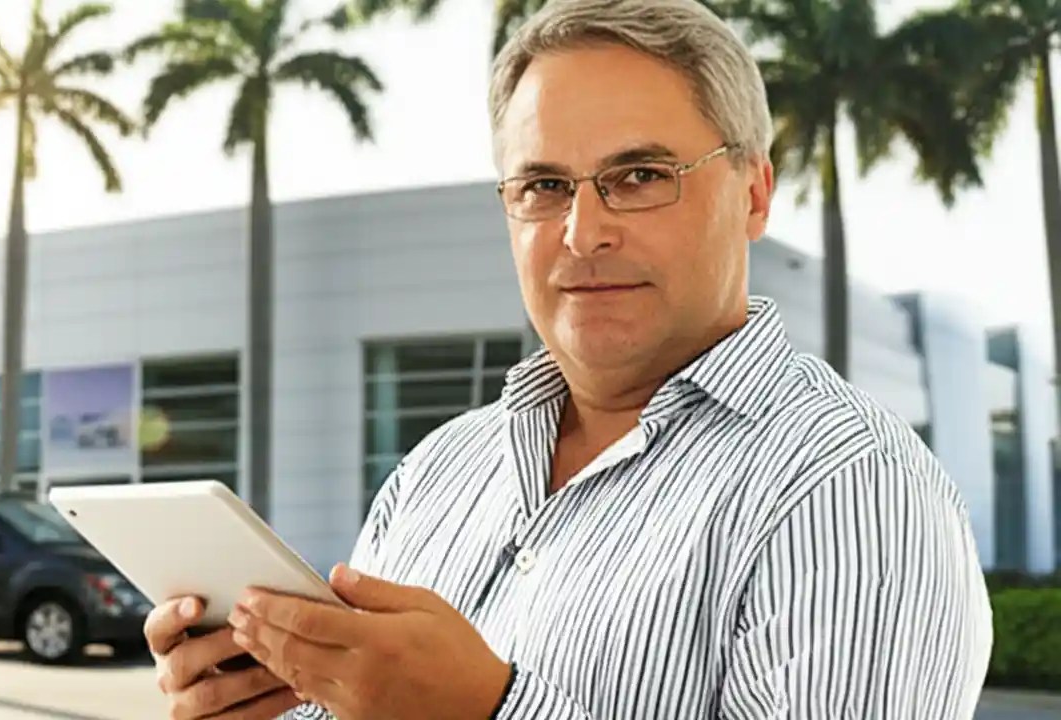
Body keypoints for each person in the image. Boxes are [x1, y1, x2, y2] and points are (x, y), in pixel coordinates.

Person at [142, 0, 994, 717]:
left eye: (639, 175)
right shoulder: (439, 471)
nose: (583, 234)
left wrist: (492, 711)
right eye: (544, 187)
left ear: (754, 192)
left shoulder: (851, 488)